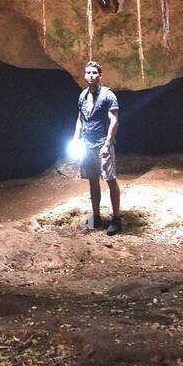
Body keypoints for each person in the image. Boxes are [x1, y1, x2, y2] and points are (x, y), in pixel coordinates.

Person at [72, 60, 122, 235]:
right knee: (93, 180)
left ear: (100, 75)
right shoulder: (83, 95)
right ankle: (97, 216)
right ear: (85, 75)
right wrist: (75, 138)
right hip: (86, 144)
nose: (91, 76)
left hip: (102, 144)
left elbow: (114, 120)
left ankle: (116, 218)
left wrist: (108, 143)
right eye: (88, 73)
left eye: (94, 73)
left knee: (110, 179)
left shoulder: (108, 95)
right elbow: (80, 118)